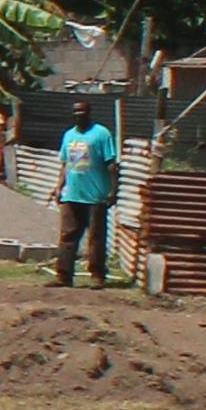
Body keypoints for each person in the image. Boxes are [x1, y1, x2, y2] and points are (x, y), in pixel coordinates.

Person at [52, 107, 127, 286]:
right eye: (76, 113)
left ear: (89, 114)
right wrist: (59, 187)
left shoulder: (101, 134)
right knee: (68, 236)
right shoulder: (69, 135)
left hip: (95, 196)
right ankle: (63, 276)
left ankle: (97, 276)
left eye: (82, 113)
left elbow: (111, 164)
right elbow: (65, 165)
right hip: (72, 195)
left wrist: (113, 190)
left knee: (96, 237)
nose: (79, 116)